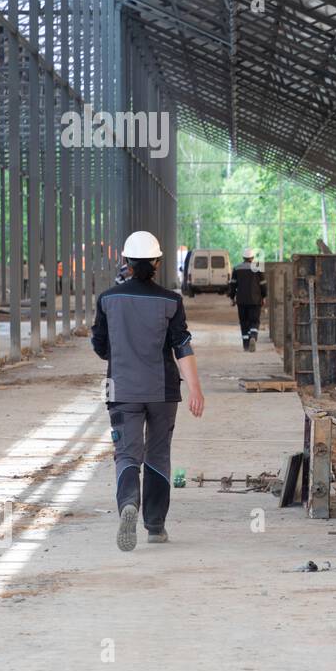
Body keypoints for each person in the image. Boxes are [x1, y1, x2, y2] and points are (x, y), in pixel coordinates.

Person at [91, 230, 205, 551]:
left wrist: (120, 352)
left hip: (122, 389)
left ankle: (128, 502)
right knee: (158, 454)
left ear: (125, 261)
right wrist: (195, 389)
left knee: (127, 453)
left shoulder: (108, 299)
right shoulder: (171, 301)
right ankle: (155, 526)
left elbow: (100, 345)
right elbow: (182, 346)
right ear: (157, 262)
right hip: (163, 391)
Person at [228, 248, 267, 352]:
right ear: (253, 258)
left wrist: (232, 297)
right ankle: (253, 336)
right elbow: (263, 285)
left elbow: (232, 285)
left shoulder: (236, 268)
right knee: (254, 321)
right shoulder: (258, 267)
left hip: (241, 300)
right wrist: (264, 296)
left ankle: (246, 345)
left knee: (244, 322)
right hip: (255, 300)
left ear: (243, 257)